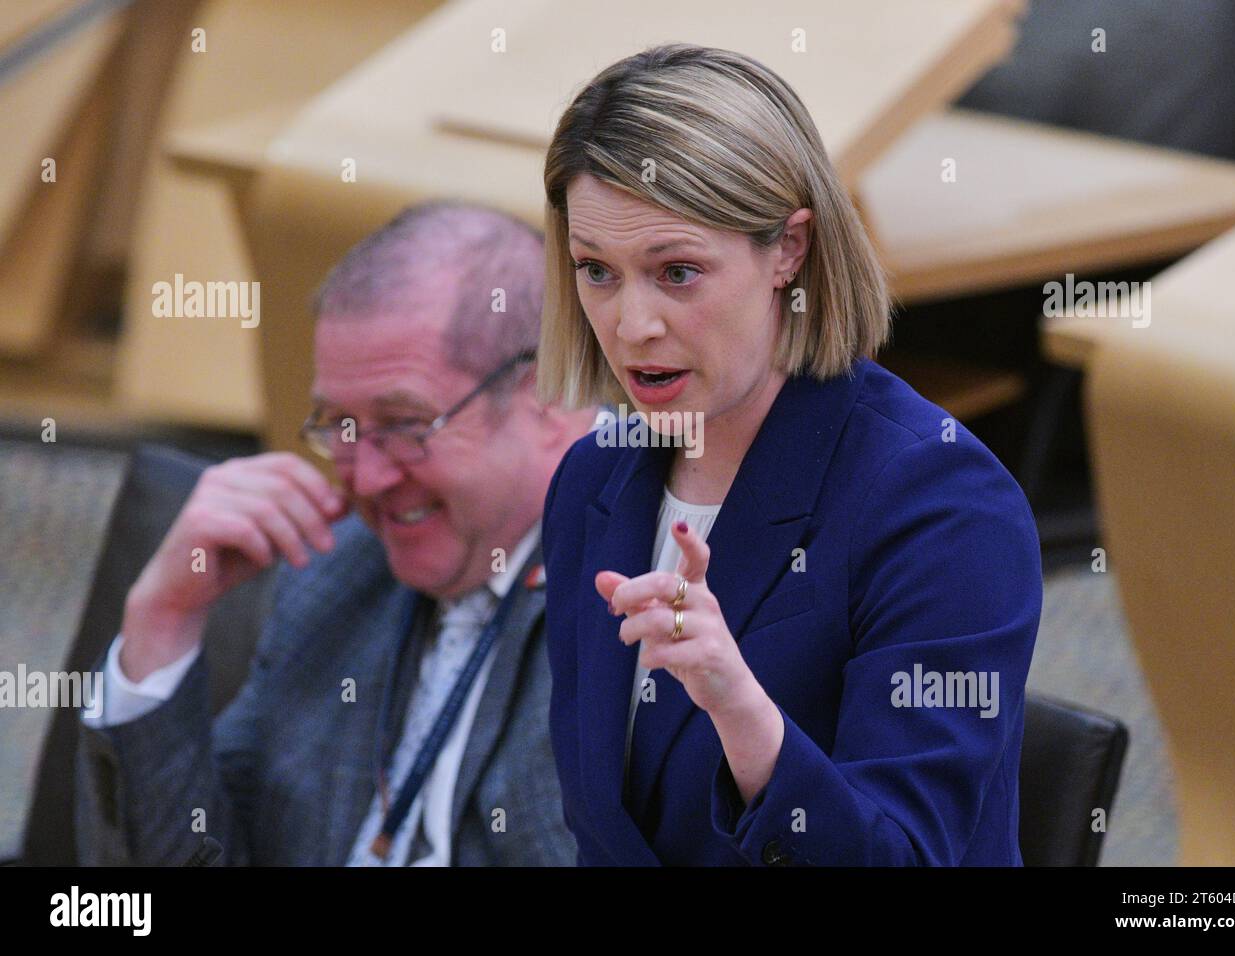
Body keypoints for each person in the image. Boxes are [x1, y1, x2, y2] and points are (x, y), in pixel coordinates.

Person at [537, 45, 1042, 866]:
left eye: (678, 272)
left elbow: (908, 857)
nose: (632, 325)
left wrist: (741, 711)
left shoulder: (941, 506)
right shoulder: (595, 478)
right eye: (596, 271)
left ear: (789, 251)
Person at [76, 202, 592, 866]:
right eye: (338, 428)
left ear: (545, 395)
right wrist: (162, 620)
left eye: (404, 424)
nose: (367, 478)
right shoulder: (335, 573)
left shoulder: (644, 590)